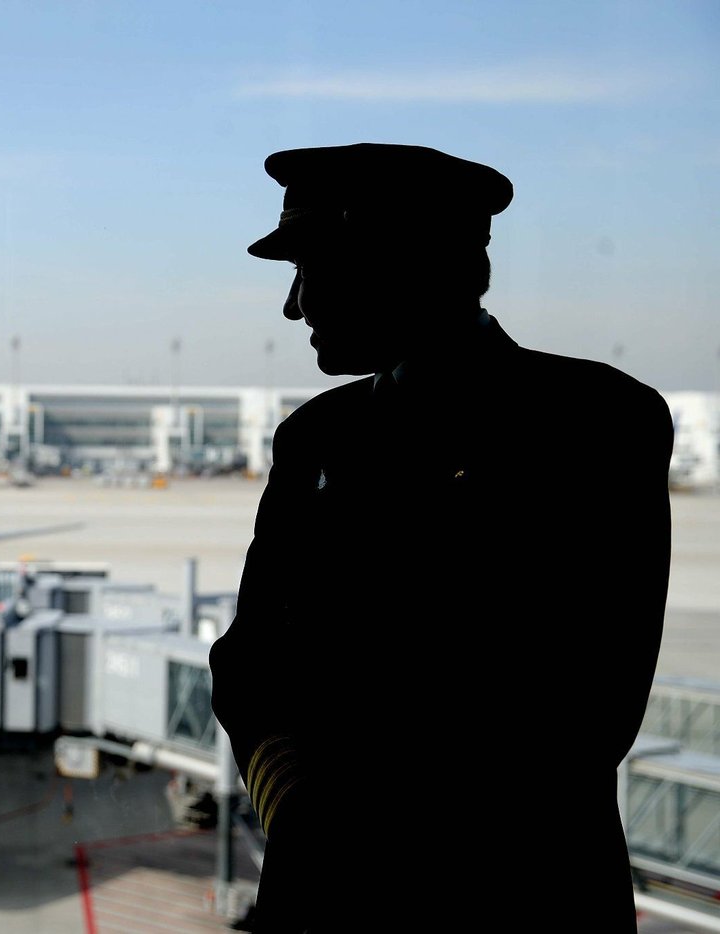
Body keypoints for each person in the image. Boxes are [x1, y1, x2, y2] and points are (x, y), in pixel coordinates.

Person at [208, 143, 673, 932]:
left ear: (398, 264)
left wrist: (353, 818)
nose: (295, 304)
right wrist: (300, 812)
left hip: (511, 896)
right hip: (324, 891)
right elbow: (247, 665)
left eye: (313, 267)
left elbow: (586, 711)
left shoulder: (598, 424)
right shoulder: (315, 437)